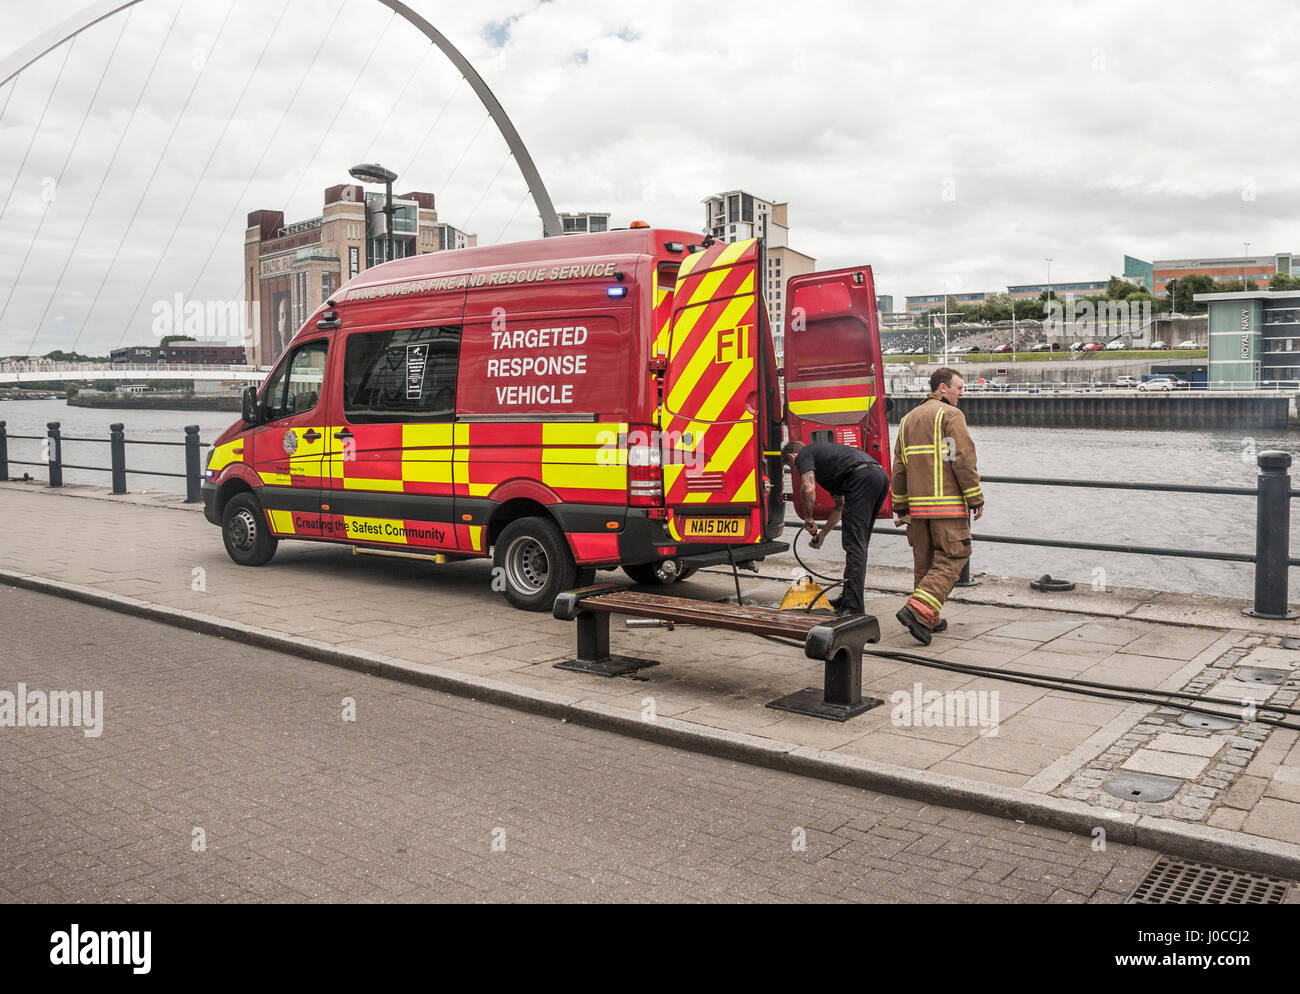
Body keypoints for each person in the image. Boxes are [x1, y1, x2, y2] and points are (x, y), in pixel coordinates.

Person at [890, 367, 984, 645]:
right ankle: (916, 611)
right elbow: (962, 459)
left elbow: (899, 467)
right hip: (947, 508)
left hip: (917, 510)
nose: (961, 393)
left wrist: (900, 505)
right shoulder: (951, 415)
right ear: (942, 388)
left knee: (925, 563)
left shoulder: (907, 420)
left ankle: (926, 618)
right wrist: (975, 497)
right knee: (954, 556)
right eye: (958, 388)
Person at [782, 439, 890, 618]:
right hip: (878, 477)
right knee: (858, 545)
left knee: (854, 546)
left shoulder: (805, 455)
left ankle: (854, 607)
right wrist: (822, 534)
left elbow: (808, 489)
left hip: (862, 480)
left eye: (792, 467)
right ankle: (848, 598)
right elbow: (840, 506)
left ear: (793, 457)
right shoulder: (830, 463)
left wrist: (808, 518)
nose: (796, 470)